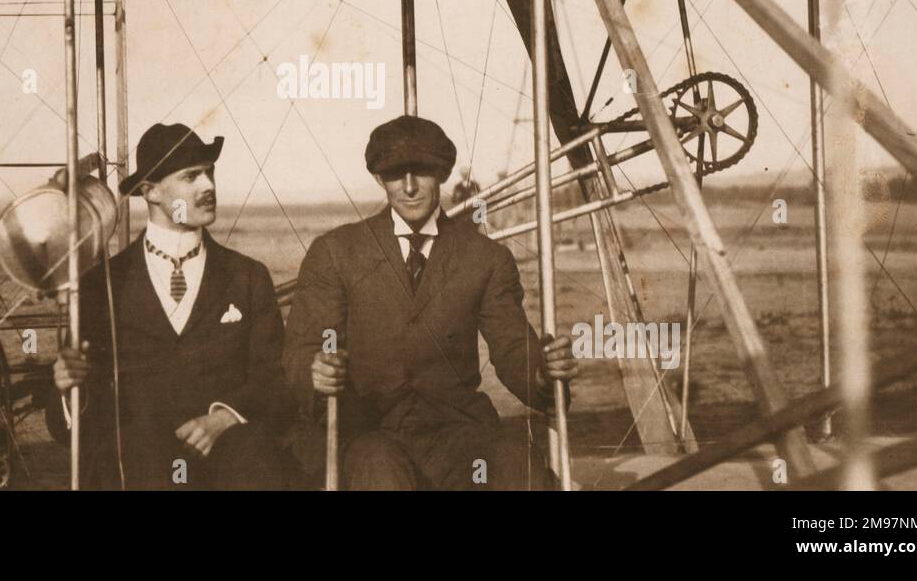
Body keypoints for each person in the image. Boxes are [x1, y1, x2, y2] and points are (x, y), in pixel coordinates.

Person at [283, 115, 578, 490]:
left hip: (458, 434)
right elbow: (303, 348)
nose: (409, 188)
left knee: (517, 463)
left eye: (421, 172)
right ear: (378, 178)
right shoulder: (337, 252)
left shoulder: (484, 258)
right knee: (380, 471)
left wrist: (542, 373)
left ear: (442, 173)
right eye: (394, 174)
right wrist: (316, 373)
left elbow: (514, 346)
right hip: (370, 432)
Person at [53, 123, 290, 489]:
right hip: (138, 469)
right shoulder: (101, 285)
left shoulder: (248, 277)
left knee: (256, 454)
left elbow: (274, 379)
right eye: (190, 177)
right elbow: (70, 423)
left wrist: (224, 416)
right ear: (150, 192)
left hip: (231, 464)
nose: (208, 186)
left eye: (209, 173)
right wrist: (67, 388)